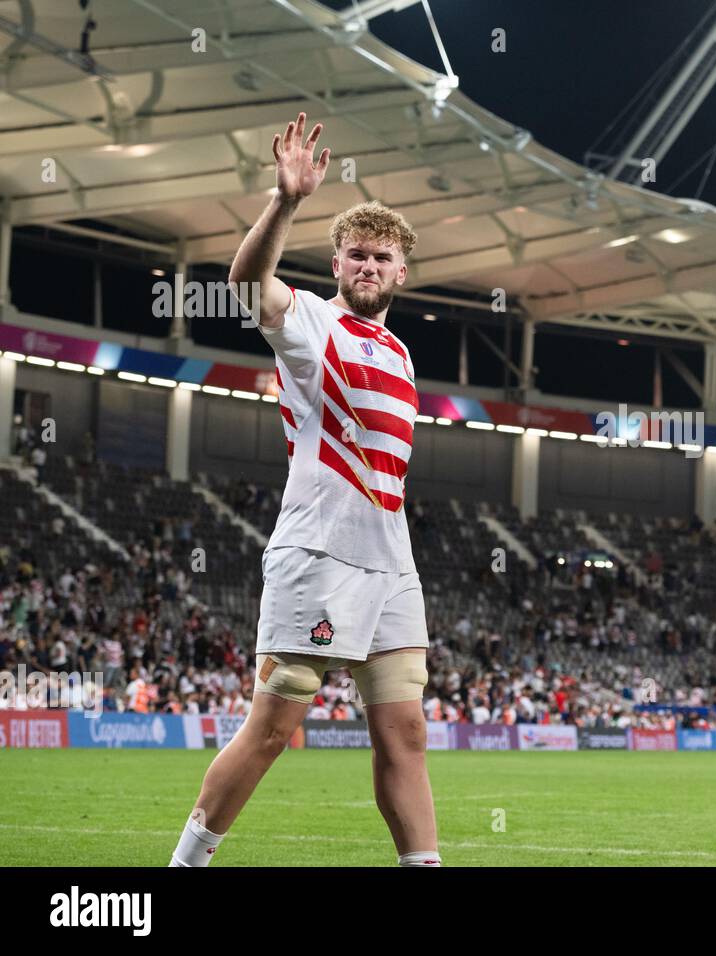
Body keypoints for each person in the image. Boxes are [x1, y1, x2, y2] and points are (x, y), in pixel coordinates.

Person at [169, 113, 440, 868]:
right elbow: (245, 283)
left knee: (406, 731)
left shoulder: (403, 352)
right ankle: (185, 866)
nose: (368, 266)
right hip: (319, 555)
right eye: (356, 254)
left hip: (391, 563)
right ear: (337, 262)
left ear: (401, 272)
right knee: (273, 728)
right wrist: (286, 201)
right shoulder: (312, 323)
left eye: (382, 257)